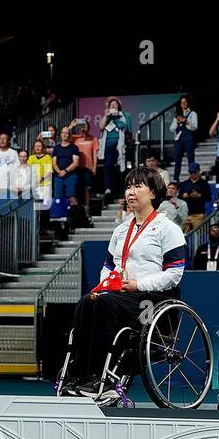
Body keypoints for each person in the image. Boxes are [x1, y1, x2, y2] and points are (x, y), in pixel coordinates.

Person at [60, 166, 186, 399]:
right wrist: (105, 285)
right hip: (119, 293)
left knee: (106, 306)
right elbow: (109, 266)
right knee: (87, 302)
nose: (131, 191)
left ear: (153, 193)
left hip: (152, 299)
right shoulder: (120, 230)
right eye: (128, 186)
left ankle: (103, 379)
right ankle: (77, 375)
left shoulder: (169, 229)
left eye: (138, 186)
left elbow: (174, 274)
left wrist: (138, 285)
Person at [97, 97, 131, 196]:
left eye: (115, 105)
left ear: (119, 106)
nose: (113, 106)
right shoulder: (107, 116)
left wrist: (116, 117)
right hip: (108, 145)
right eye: (111, 105)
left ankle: (121, 188)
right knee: (108, 167)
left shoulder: (123, 115)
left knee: (121, 167)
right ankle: (108, 188)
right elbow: (101, 126)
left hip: (119, 145)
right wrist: (106, 116)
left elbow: (123, 126)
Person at [51, 125, 80, 205]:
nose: (65, 135)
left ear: (69, 135)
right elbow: (54, 162)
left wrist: (65, 171)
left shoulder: (74, 148)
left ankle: (74, 215)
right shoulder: (56, 148)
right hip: (58, 176)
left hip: (71, 175)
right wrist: (59, 171)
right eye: (63, 133)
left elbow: (75, 163)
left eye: (67, 133)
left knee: (72, 197)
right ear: (60, 134)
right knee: (58, 197)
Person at [171, 96, 199, 179]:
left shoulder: (193, 114)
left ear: (188, 103)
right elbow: (171, 128)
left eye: (185, 102)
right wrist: (177, 121)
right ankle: (176, 178)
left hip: (188, 138)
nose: (183, 104)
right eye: (181, 102)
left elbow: (194, 127)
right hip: (179, 139)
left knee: (190, 158)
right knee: (177, 159)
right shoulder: (177, 115)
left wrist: (186, 121)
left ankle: (193, 176)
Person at [177, 165, 211, 232]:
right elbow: (179, 197)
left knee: (199, 234)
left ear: (199, 172)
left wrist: (199, 195)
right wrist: (184, 195)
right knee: (183, 235)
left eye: (194, 172)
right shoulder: (185, 183)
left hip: (198, 213)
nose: (193, 174)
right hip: (185, 214)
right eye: (191, 172)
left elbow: (208, 198)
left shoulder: (204, 183)